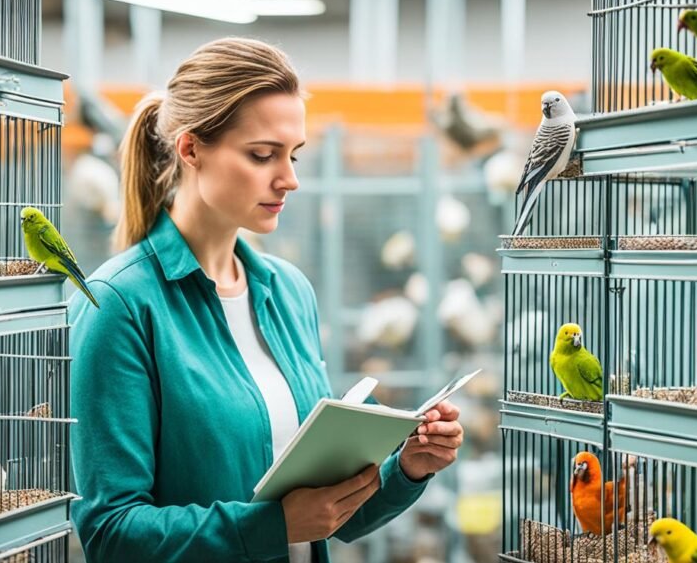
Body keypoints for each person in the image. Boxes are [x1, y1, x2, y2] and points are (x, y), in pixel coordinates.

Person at [68, 37, 465, 563]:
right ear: (191, 150)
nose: (290, 178)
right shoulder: (118, 305)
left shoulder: (288, 291)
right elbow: (110, 532)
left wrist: (409, 466)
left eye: (294, 154)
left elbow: (328, 519)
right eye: (263, 155)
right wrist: (270, 526)